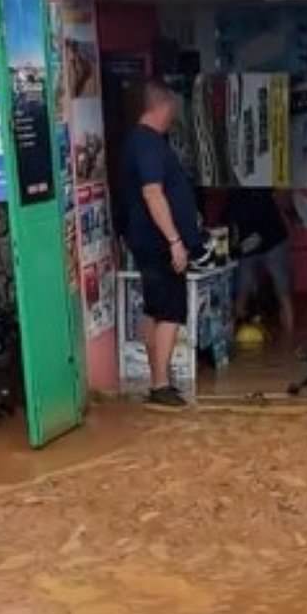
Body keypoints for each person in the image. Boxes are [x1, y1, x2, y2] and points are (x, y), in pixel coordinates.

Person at [123, 82, 210, 408]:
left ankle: (158, 379)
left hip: (146, 241)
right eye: (172, 109)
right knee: (170, 312)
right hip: (159, 243)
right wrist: (175, 241)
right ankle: (160, 386)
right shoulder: (148, 144)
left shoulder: (140, 141)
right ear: (162, 107)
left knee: (154, 310)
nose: (174, 116)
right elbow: (152, 192)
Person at [226, 187, 294, 340]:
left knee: (282, 291)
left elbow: (283, 197)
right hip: (251, 244)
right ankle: (234, 335)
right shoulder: (234, 197)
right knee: (243, 290)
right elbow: (233, 230)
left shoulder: (262, 181)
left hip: (272, 241)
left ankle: (290, 338)